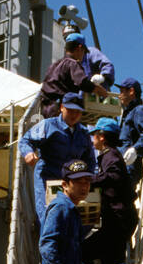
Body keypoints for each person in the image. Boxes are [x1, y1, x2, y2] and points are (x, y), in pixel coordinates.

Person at [19, 94, 95, 226]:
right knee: (48, 218)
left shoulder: (84, 134)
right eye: (70, 110)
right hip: (46, 180)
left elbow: (90, 160)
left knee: (71, 220)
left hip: (70, 184)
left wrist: (89, 180)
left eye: (78, 111)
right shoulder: (47, 125)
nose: (74, 115)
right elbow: (26, 141)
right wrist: (28, 153)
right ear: (61, 107)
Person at [86, 119, 137, 264]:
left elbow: (114, 176)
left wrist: (87, 180)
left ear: (102, 137)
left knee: (87, 251)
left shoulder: (111, 155)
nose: (93, 139)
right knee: (109, 261)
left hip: (118, 220)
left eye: (94, 135)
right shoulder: (111, 155)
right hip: (118, 219)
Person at [39, 35, 107, 119]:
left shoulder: (54, 65)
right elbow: (83, 83)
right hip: (58, 109)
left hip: (45, 109)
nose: (83, 55)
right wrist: (98, 89)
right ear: (79, 48)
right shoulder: (72, 63)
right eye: (84, 52)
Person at [116, 77, 143, 184]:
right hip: (123, 165)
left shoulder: (140, 110)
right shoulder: (129, 112)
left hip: (130, 166)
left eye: (122, 91)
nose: (120, 95)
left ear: (131, 91)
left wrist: (135, 149)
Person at [60, 27, 115, 93]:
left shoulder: (91, 52)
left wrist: (103, 77)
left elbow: (107, 65)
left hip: (96, 97)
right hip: (76, 99)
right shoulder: (66, 62)